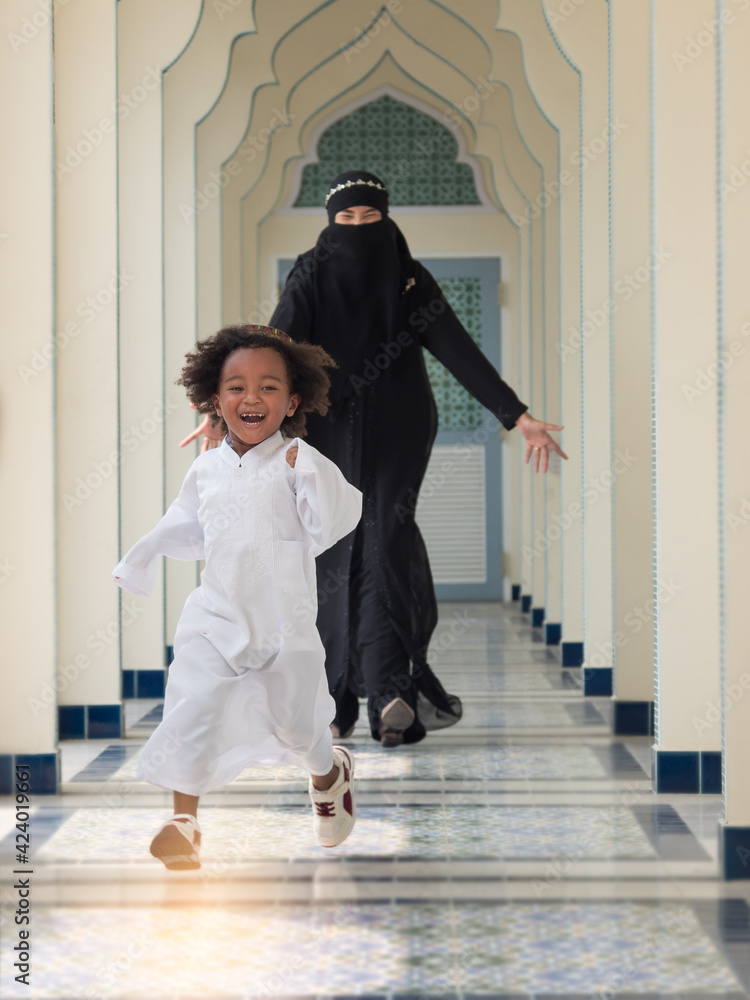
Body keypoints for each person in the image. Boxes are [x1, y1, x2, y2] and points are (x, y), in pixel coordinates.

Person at [184, 171, 567, 748]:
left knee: (387, 539)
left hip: (400, 424)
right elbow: (271, 347)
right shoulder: (311, 274)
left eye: (371, 219)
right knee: (332, 544)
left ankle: (393, 691)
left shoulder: (410, 281)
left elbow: (459, 351)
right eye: (347, 220)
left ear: (386, 221)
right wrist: (225, 409)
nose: (360, 229)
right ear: (329, 225)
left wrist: (517, 415)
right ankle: (332, 695)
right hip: (325, 426)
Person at [113, 325, 362, 869]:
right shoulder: (205, 469)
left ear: (293, 400)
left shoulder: (298, 460)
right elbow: (182, 524)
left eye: (269, 387)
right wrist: (139, 560)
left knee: (298, 725)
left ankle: (328, 773)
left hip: (283, 626)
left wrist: (310, 474)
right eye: (236, 388)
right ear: (214, 402)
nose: (252, 398)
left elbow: (338, 517)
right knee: (192, 708)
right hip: (216, 618)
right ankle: (185, 822)